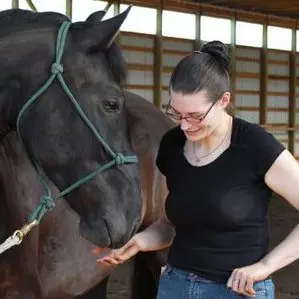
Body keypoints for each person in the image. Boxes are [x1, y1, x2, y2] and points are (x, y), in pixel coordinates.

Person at [98, 40, 299, 299]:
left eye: (195, 116)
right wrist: (140, 242)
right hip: (175, 286)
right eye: (176, 113)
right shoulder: (172, 146)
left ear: (223, 100)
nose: (184, 125)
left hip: (237, 292)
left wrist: (266, 266)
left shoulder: (255, 146)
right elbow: (171, 224)